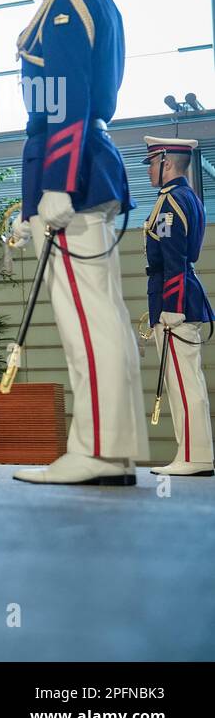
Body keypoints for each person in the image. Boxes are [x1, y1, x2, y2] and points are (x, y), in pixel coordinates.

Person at [8, 0, 146, 485]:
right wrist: (31, 196)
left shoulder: (67, 2)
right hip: (88, 165)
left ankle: (96, 450)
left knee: (86, 320)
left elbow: (63, 99)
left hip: (76, 172)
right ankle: (111, 449)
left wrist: (55, 187)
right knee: (102, 314)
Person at [141, 136, 214, 476]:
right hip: (183, 294)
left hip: (176, 300)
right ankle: (192, 454)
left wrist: (171, 306)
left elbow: (173, 258)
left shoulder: (171, 202)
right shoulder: (188, 197)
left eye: (152, 163)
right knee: (187, 381)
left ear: (166, 162)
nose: (149, 171)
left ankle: (194, 457)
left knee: (183, 383)